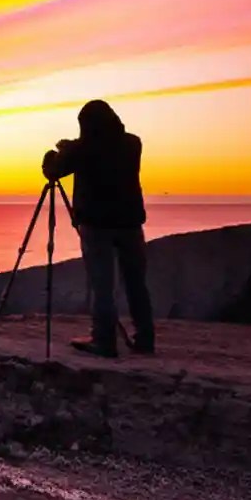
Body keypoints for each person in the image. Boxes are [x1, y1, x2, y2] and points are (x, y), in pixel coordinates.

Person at [42, 100, 155, 358]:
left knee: (102, 284)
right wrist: (73, 147)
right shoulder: (132, 144)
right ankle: (145, 338)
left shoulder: (82, 150)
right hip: (130, 224)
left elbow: (53, 171)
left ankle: (104, 340)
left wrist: (54, 153)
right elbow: (103, 147)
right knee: (136, 282)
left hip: (97, 226)